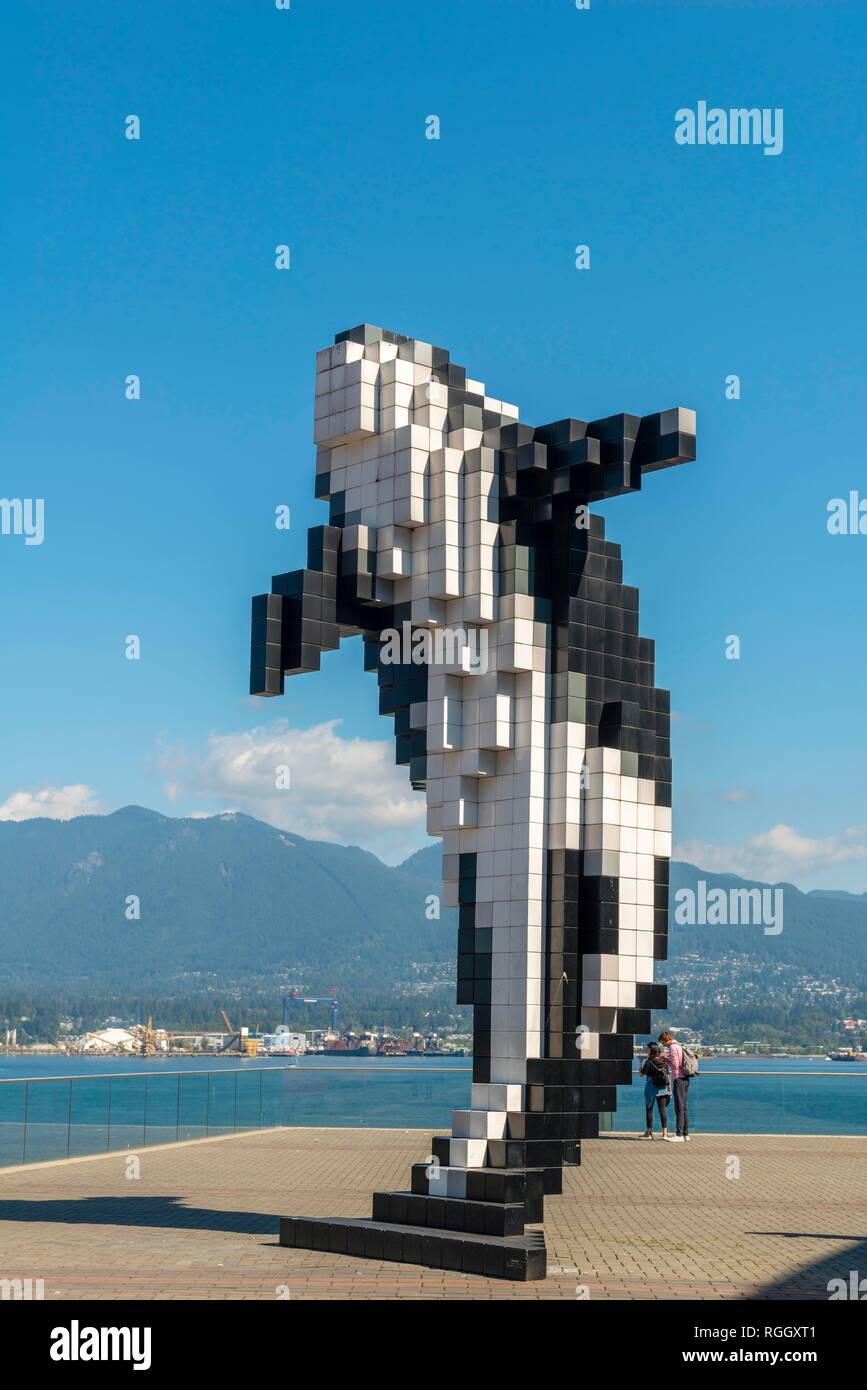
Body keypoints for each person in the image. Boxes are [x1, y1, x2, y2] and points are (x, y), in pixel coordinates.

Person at [659, 1030, 690, 1142]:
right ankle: (685, 1133)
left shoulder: (672, 1047)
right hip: (685, 1078)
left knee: (679, 1107)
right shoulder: (678, 1045)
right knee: (684, 1107)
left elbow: (675, 1065)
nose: (663, 1045)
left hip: (678, 1078)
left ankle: (679, 1134)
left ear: (665, 1040)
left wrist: (664, 1059)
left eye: (663, 1043)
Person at [638, 1042, 670, 1138]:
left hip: (651, 1088)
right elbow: (667, 1074)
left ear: (651, 1050)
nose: (646, 1050)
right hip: (663, 1088)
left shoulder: (649, 1061)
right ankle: (664, 1133)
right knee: (662, 1110)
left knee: (649, 1109)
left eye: (647, 1049)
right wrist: (669, 1089)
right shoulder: (663, 1061)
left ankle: (649, 1132)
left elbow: (641, 1074)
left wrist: (640, 1063)